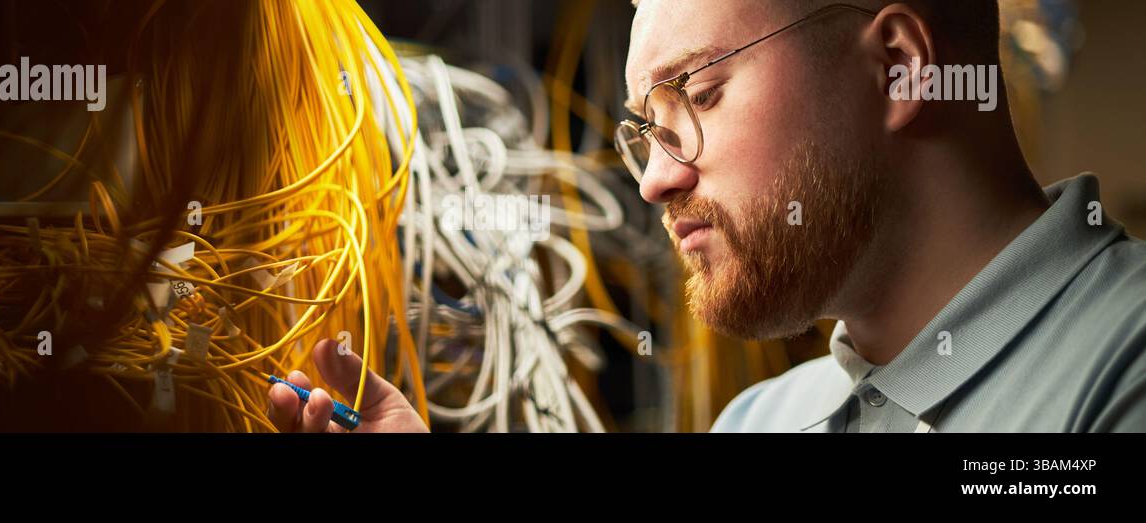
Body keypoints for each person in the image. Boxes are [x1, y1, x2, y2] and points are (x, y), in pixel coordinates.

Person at [267, 0, 1146, 433]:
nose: (653, 180)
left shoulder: (1124, 365)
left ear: (901, 66)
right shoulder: (762, 420)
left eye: (697, 92)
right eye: (643, 128)